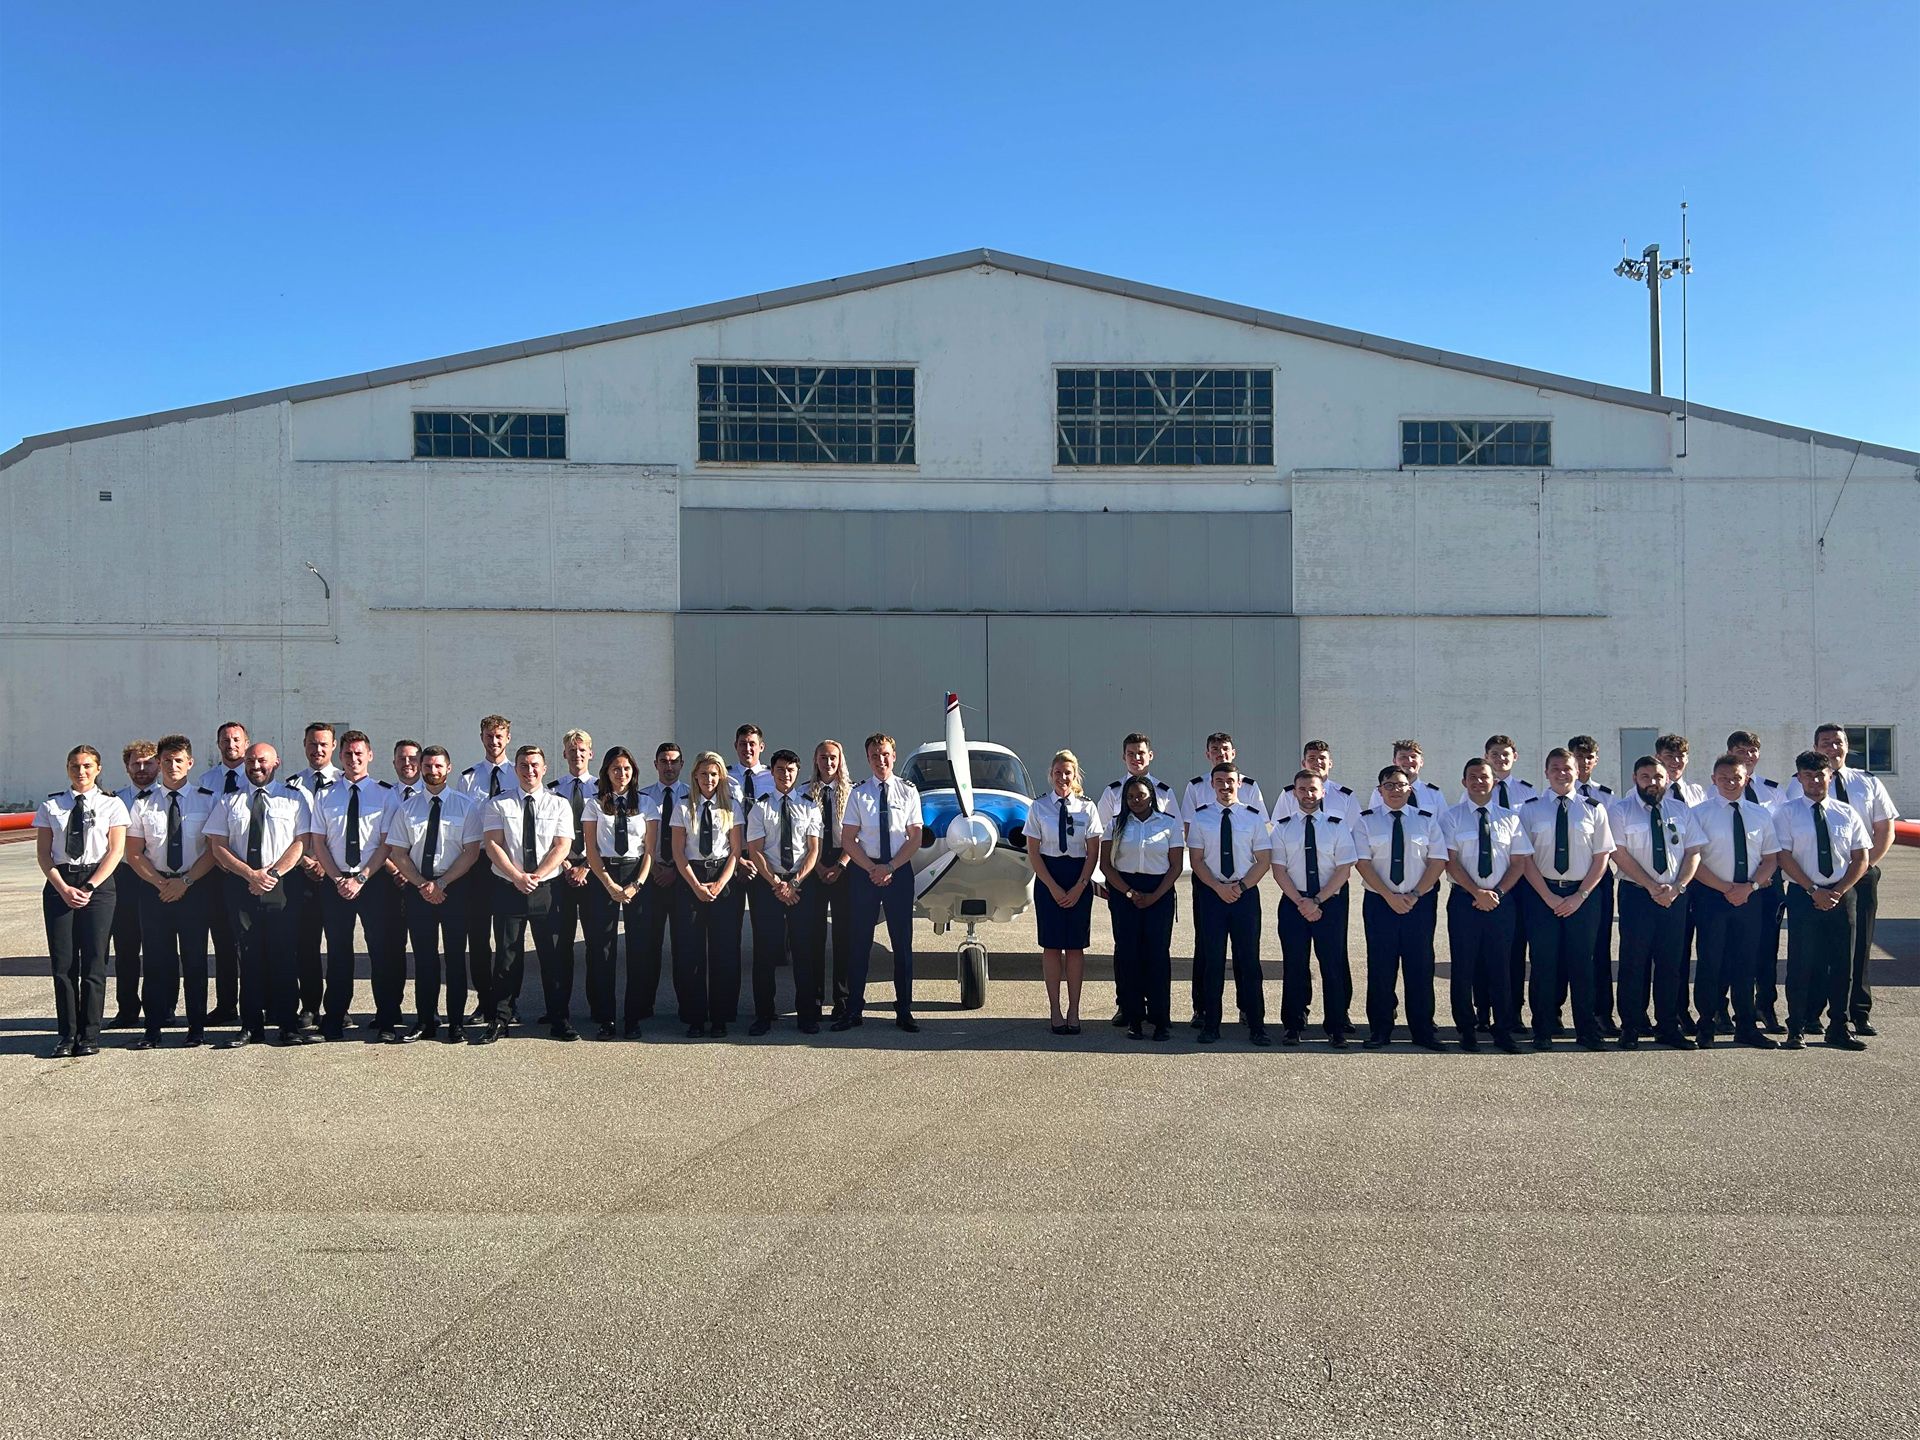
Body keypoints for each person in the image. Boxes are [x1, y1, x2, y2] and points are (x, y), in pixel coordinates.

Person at [1785, 723, 1900, 1038]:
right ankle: (1811, 1014)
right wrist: (1816, 887)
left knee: (1857, 947)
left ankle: (1856, 1014)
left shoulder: (1867, 782)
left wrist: (1859, 871)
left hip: (1859, 875)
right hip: (1813, 881)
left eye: (1838, 742)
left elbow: (1884, 830)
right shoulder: (1799, 785)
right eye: (1825, 742)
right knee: (1817, 950)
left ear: (1847, 746)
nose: (1832, 747)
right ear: (1816, 746)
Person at [203, 743, 315, 1048]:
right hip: (241, 885)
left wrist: (273, 874)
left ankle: (288, 1025)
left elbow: (300, 842)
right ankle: (250, 1025)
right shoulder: (228, 801)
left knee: (283, 955)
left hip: (282, 885)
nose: (255, 766)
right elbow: (218, 846)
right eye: (250, 761)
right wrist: (250, 875)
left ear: (276, 762)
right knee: (248, 955)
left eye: (262, 760)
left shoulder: (293, 799)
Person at [122, 734, 220, 1049]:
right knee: (155, 963)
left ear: (190, 763)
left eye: (179, 760)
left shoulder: (207, 799)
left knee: (194, 962)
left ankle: (196, 1029)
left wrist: (185, 882)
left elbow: (213, 851)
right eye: (167, 761)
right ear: (160, 763)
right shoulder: (142, 804)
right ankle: (152, 1030)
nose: (173, 766)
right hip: (155, 890)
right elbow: (134, 852)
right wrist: (161, 883)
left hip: (195, 889)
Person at [1515, 749, 1616, 1051]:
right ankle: (1543, 1029)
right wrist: (1546, 895)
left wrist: (1580, 895)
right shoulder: (1530, 809)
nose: (1562, 773)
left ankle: (1587, 1030)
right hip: (1540, 893)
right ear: (1546, 772)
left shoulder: (1594, 809)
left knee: (1582, 964)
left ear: (1576, 772)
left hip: (1583, 896)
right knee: (1544, 964)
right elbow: (1525, 857)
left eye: (1567, 768)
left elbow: (1602, 857)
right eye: (1555, 768)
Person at [305, 730, 403, 1041]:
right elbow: (319, 842)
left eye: (360, 753)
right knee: (338, 954)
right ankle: (334, 1018)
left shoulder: (386, 794)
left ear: (370, 755)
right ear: (341, 756)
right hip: (335, 883)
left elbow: (387, 843)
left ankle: (386, 1018)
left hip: (373, 883)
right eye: (348, 754)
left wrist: (361, 878)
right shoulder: (325, 795)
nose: (354, 759)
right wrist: (337, 878)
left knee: (381, 952)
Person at [383, 744, 485, 1042]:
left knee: (454, 958)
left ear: (448, 768)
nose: (433, 771)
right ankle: (426, 1020)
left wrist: (441, 884)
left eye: (439, 766)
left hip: (455, 888)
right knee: (424, 959)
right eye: (427, 766)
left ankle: (455, 1022)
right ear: (421, 768)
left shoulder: (464, 806)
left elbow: (470, 852)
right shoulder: (408, 808)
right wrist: (421, 884)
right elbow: (399, 852)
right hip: (419, 890)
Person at [34, 745, 131, 1058]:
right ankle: (67, 1034)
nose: (81, 772)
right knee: (63, 965)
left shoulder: (112, 805)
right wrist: (62, 887)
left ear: (98, 768)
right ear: (67, 768)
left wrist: (89, 886)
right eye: (75, 766)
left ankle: (89, 1034)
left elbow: (115, 851)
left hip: (98, 886)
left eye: (88, 766)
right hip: (60, 884)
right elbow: (44, 854)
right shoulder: (52, 805)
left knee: (93, 962)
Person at [1771, 750, 1872, 1051]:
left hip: (1843, 895)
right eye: (1808, 775)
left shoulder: (1846, 812)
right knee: (1801, 963)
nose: (1815, 781)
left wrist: (1839, 890)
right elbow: (1783, 857)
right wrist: (1813, 889)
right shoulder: (1786, 813)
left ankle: (1838, 1027)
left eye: (1820, 775)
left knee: (1843, 964)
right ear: (1799, 777)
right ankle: (1796, 1027)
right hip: (1804, 896)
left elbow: (1860, 857)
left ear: (1830, 775)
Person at [1607, 756, 1705, 1049]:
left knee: (1671, 964)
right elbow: (1618, 853)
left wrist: (1678, 887)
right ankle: (1631, 1027)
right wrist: (1651, 885)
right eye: (1646, 776)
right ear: (1635, 779)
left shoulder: (1682, 810)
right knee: (1634, 963)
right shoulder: (1620, 811)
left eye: (1658, 777)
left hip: (1674, 897)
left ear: (1667, 780)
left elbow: (1694, 852)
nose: (1653, 782)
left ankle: (1667, 1026)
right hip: (1637, 894)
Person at [478, 744, 573, 1042]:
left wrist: (537, 876)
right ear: (515, 769)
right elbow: (493, 844)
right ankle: (501, 1019)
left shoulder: (559, 805)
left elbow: (562, 845)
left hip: (547, 890)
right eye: (523, 765)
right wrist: (518, 876)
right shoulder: (499, 804)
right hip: (508, 888)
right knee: (507, 957)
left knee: (553, 956)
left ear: (544, 769)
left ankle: (559, 1019)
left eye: (535, 765)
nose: (529, 770)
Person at [1686, 754, 1781, 1048]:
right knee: (1711, 962)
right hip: (1712, 897)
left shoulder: (1760, 814)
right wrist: (1728, 888)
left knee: (1746, 963)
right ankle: (1706, 1025)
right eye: (1724, 778)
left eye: (1736, 778)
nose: (1730, 783)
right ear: (1714, 780)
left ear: (1746, 779)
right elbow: (1694, 860)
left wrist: (1748, 887)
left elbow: (1770, 859)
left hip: (1750, 899)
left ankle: (1747, 1027)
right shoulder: (1699, 814)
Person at [1439, 758, 1533, 1053]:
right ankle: (1466, 1030)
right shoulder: (1451, 817)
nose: (1479, 782)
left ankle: (1502, 1029)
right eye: (1473, 777)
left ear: (1494, 782)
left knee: (1501, 967)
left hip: (1501, 902)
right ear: (1463, 782)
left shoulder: (1510, 818)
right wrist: (1476, 892)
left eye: (1484, 777)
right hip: (1464, 900)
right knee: (1464, 968)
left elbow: (1519, 862)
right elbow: (1450, 862)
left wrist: (1498, 892)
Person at [1352, 765, 1448, 1050]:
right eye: (1389, 785)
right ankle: (1380, 1030)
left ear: (1410, 789)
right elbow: (1362, 862)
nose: (1395, 790)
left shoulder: (1427, 821)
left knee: (1420, 967)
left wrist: (1415, 894)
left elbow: (1437, 861)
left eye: (1401, 785)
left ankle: (1422, 1031)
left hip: (1418, 903)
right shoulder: (1365, 821)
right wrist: (1389, 895)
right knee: (1381, 967)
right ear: (1379, 790)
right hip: (1380, 903)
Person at [839, 733, 925, 1033]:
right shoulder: (858, 794)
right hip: (865, 873)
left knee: (902, 944)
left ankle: (904, 1010)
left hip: (898, 872)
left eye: (885, 754)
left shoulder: (908, 791)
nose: (881, 760)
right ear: (868, 759)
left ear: (894, 755)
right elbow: (848, 839)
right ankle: (853, 1010)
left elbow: (915, 837)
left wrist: (889, 866)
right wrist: (872, 869)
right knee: (859, 942)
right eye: (875, 755)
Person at [1180, 733, 1266, 1028]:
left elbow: (1261, 849)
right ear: (1208, 754)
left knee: (1248, 955)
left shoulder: (1251, 794)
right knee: (1208, 951)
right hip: (1209, 885)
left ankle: (1251, 1014)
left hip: (1244, 887)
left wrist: (1240, 886)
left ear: (1233, 753)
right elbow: (1195, 847)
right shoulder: (1196, 790)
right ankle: (1205, 1012)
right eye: (1214, 749)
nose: (1220, 753)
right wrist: (1216, 886)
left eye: (1224, 749)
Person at [1267, 769, 1359, 1046]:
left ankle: (1335, 1026)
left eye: (1313, 790)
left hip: (1329, 903)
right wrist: (1302, 902)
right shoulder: (1282, 827)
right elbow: (1279, 870)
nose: (1308, 795)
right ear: (1294, 793)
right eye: (1302, 789)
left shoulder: (1337, 825)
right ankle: (1293, 1025)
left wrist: (1317, 901)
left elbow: (1344, 869)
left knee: (1332, 966)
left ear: (1323, 793)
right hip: (1294, 903)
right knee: (1294, 965)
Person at [1093, 732, 1179, 1025]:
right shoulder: (1112, 792)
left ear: (1150, 755)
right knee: (1125, 949)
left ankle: (1158, 1010)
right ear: (1124, 757)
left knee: (1155, 950)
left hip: (1157, 882)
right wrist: (1105, 882)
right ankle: (1126, 1006)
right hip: (1122, 882)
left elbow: (1175, 838)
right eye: (1131, 754)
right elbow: (1100, 832)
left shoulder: (1166, 792)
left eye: (1141, 753)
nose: (1136, 758)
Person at [745, 749, 823, 1035]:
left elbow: (814, 850)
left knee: (804, 952)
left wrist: (795, 883)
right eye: (780, 770)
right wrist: (777, 883)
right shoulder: (760, 807)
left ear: (797, 772)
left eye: (790, 770)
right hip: (769, 887)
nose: (785, 775)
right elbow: (755, 850)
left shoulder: (809, 805)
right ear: (772, 772)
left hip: (801, 885)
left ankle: (806, 1016)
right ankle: (763, 1015)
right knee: (766, 952)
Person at [1026, 750, 1104, 1035]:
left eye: (1067, 772)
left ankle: (1074, 1010)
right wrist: (1053, 886)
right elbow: (1033, 852)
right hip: (1049, 878)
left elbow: (1093, 851)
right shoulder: (1039, 807)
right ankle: (1055, 1010)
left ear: (1075, 775)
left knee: (1074, 947)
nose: (1062, 777)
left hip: (1078, 878)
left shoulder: (1087, 807)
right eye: (1058, 772)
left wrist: (1081, 885)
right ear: (1051, 774)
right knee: (1051, 946)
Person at [672, 751, 745, 1038]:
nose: (709, 779)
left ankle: (721, 1016)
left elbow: (736, 850)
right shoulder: (682, 807)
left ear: (721, 778)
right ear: (695, 776)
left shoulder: (732, 808)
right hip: (690, 879)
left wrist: (718, 884)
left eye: (714, 774)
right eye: (704, 774)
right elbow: (678, 851)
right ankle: (694, 1016)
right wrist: (695, 885)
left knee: (724, 951)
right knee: (690, 952)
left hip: (723, 879)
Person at [583, 746, 653, 1041]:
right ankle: (606, 1017)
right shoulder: (594, 804)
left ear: (633, 772)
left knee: (638, 951)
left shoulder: (648, 804)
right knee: (603, 951)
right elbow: (591, 848)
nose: (621, 774)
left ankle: (632, 1017)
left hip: (637, 875)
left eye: (626, 769)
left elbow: (651, 850)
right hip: (604, 877)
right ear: (606, 772)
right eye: (615, 769)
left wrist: (636, 884)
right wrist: (609, 884)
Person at [1724, 729, 1787, 1032]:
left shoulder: (1774, 791)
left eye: (1752, 751)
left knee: (1766, 948)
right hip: (1727, 885)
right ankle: (1724, 1009)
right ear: (1729, 752)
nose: (1747, 756)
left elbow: (1781, 839)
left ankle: (1765, 1006)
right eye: (1741, 750)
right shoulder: (1716, 791)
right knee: (1727, 949)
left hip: (1766, 883)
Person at [459, 714, 517, 1025]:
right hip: (478, 863)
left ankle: (509, 1001)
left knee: (509, 938)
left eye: (499, 736)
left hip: (510, 863)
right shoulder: (468, 778)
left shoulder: (519, 773)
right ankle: (484, 1000)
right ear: (481, 737)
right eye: (488, 736)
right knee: (478, 937)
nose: (494, 741)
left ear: (508, 738)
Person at [286, 721, 341, 1032]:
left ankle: (337, 1007)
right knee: (305, 945)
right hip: (303, 875)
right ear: (304, 745)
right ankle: (309, 1006)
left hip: (337, 878)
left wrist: (328, 866)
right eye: (312, 744)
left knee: (337, 946)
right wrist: (309, 861)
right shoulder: (292, 786)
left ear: (332, 747)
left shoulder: (347, 782)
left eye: (323, 744)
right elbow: (290, 832)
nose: (317, 749)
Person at [196, 720, 251, 1025]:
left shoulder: (260, 775)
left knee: (254, 940)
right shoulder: (206, 780)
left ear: (246, 742)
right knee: (223, 940)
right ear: (218, 744)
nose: (231, 745)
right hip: (216, 872)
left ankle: (258, 1001)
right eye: (225, 740)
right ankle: (227, 1003)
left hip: (250, 869)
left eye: (236, 740)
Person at [1567, 735, 1619, 1036]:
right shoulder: (1551, 795)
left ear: (1595, 760)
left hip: (1598, 878)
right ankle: (1557, 1010)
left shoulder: (1607, 797)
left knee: (1598, 948)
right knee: (1562, 950)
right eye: (1579, 756)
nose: (1584, 762)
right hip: (1563, 879)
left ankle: (1602, 1012)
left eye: (1589, 757)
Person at [105, 739, 158, 1030]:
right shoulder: (113, 801)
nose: (141, 768)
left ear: (158, 765)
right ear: (126, 767)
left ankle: (161, 1009)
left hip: (158, 878)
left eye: (148, 762)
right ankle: (127, 1010)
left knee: (159, 948)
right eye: (135, 763)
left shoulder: (168, 798)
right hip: (124, 879)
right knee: (125, 948)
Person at [633, 742, 685, 1035]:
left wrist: (676, 872)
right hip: (650, 879)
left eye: (674, 762)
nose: (668, 766)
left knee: (684, 946)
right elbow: (639, 841)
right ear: (655, 764)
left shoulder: (692, 795)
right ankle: (643, 1005)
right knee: (646, 946)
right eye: (663, 761)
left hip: (681, 881)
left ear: (681, 765)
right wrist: (655, 870)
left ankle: (686, 1007)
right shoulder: (642, 798)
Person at [546, 728, 598, 1024]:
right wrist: (566, 866)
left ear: (590, 754)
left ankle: (596, 1008)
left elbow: (605, 837)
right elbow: (548, 837)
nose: (577, 755)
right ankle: (558, 1010)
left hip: (593, 875)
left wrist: (587, 867)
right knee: (559, 946)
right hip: (561, 875)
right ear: (564, 754)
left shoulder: (603, 789)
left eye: (582, 750)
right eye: (571, 750)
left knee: (594, 945)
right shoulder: (553, 790)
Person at [807, 740, 857, 1024]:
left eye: (833, 758)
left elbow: (857, 835)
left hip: (844, 866)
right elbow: (802, 836)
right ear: (816, 760)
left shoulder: (852, 794)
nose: (828, 762)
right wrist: (817, 868)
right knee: (814, 937)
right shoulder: (805, 792)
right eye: (823, 757)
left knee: (843, 938)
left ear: (840, 760)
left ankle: (842, 1001)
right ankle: (813, 1002)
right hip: (814, 865)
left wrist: (839, 865)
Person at [1277, 740, 1363, 825]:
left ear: (1330, 763)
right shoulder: (1289, 795)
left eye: (1322, 758)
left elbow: (1355, 829)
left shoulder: (1345, 797)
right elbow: (1279, 828)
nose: (1318, 762)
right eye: (1312, 758)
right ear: (1304, 763)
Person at [1365, 740, 1446, 815]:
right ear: (1394, 761)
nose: (1409, 760)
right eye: (1403, 757)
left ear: (1421, 762)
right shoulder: (1381, 792)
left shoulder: (1434, 794)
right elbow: (1374, 821)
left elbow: (1443, 826)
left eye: (1413, 756)